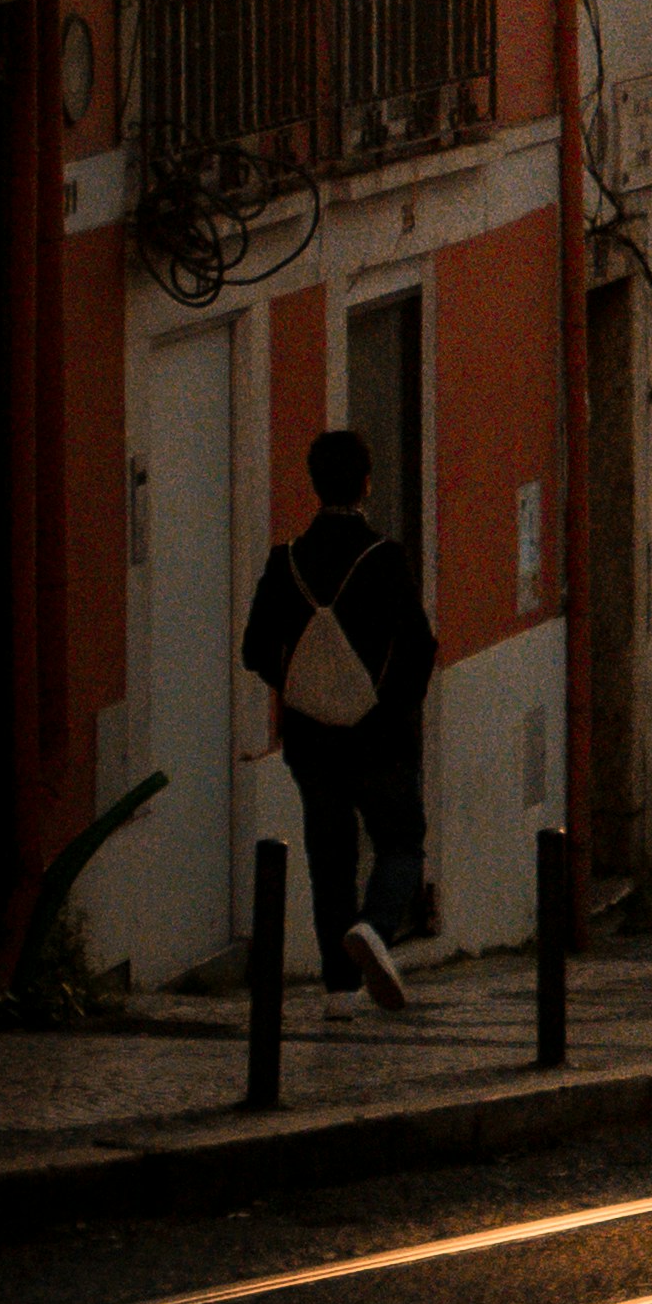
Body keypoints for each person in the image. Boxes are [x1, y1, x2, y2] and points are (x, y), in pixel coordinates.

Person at [242, 427, 431, 1016]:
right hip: (378, 737)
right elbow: (420, 646)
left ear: (314, 483)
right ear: (367, 483)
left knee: (330, 858)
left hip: (310, 738)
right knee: (401, 842)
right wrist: (387, 709)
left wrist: (303, 689)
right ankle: (374, 928)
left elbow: (254, 650)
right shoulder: (385, 558)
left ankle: (339, 991)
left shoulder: (286, 562)